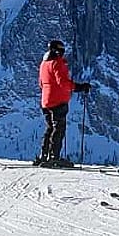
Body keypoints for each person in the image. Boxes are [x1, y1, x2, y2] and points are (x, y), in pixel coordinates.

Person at [35, 40, 91, 168]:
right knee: (59, 128)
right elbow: (63, 82)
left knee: (50, 127)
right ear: (59, 51)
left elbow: (41, 83)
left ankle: (43, 155)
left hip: (46, 101)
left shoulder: (44, 63)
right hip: (58, 100)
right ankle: (54, 157)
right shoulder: (58, 63)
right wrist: (79, 87)